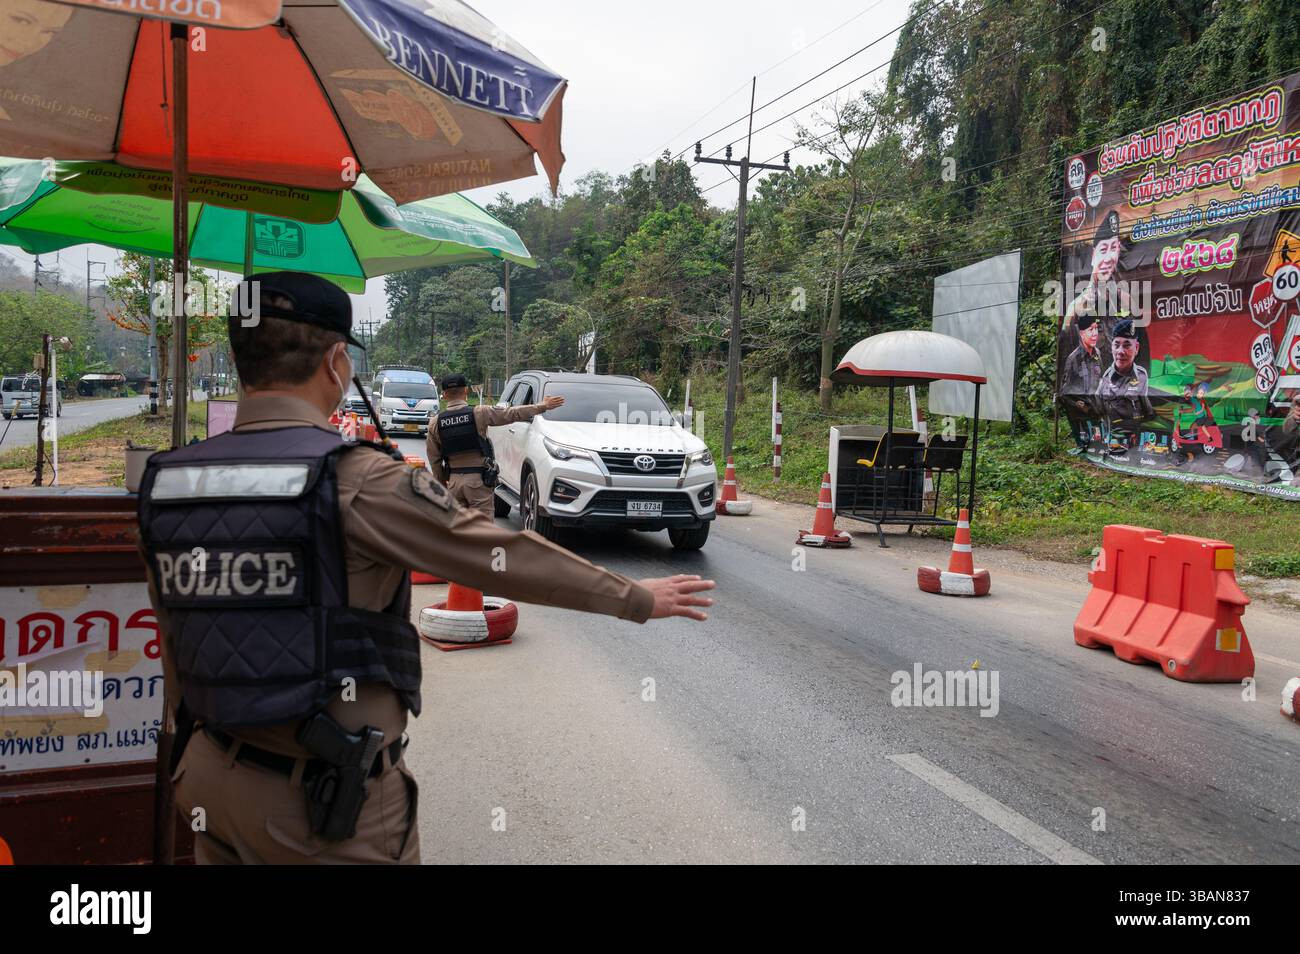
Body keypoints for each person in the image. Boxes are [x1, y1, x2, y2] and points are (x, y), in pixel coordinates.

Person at [136, 272, 715, 865]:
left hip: (206, 778)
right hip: (320, 802)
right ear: (337, 362)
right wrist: (635, 598)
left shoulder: (169, 480)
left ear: (237, 358)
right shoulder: (359, 480)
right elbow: (502, 555)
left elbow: (174, 640)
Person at [426, 372, 560, 518]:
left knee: (457, 530)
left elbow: (435, 461)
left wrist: (443, 486)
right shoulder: (480, 412)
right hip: (478, 482)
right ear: (466, 391)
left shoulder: (435, 423)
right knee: (482, 531)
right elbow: (512, 413)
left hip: (453, 483)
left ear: (444, 394)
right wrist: (542, 406)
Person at [1095, 318, 1153, 454]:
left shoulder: (1142, 376)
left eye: (1127, 345)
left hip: (1137, 444)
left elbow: (1147, 410)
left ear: (1136, 348)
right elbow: (1099, 414)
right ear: (1111, 347)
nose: (1120, 351)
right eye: (1117, 345)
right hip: (1113, 441)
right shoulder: (1104, 380)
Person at [1060, 313, 1104, 450]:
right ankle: (1082, 442)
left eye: (1096, 328)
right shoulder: (1073, 359)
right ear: (1081, 333)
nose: (1095, 333)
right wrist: (1080, 405)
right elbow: (1065, 392)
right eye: (1091, 330)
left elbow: (1101, 378)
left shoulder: (1098, 353)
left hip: (1097, 407)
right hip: (1082, 409)